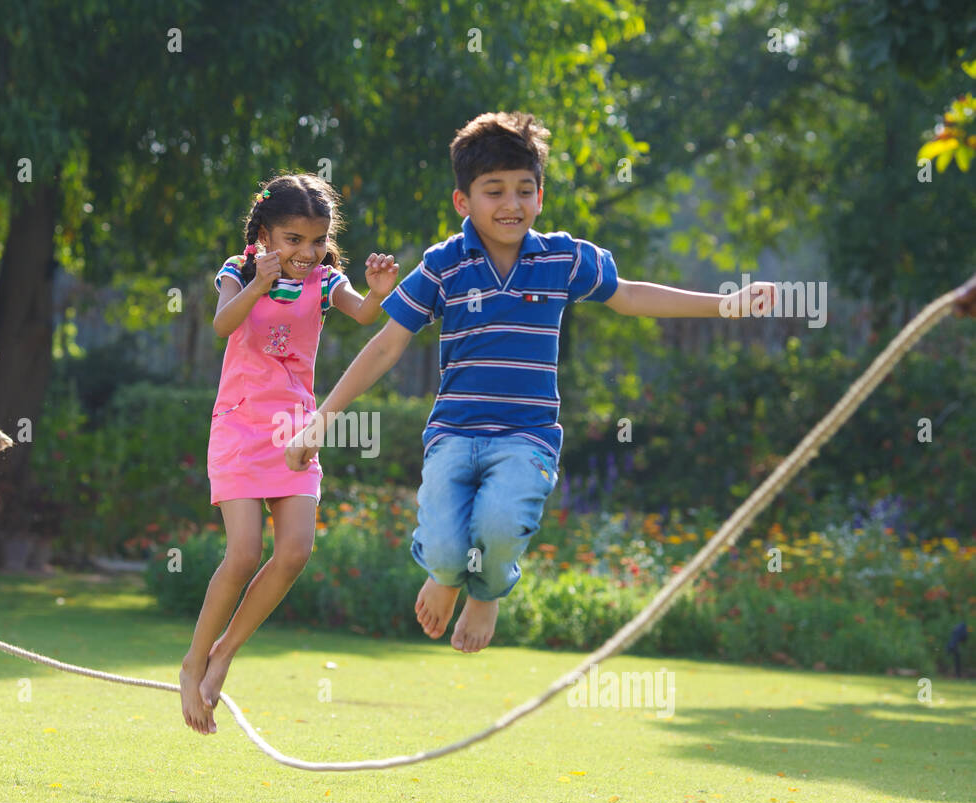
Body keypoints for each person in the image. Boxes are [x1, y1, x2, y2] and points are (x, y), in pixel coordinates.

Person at [288, 111, 775, 654]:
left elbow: (631, 296)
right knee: (446, 551)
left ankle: (487, 592)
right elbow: (385, 346)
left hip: (527, 438)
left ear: (540, 197)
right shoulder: (443, 266)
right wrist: (319, 422)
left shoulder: (563, 258)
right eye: (493, 191)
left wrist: (724, 305)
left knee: (499, 526)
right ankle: (448, 576)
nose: (511, 204)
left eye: (524, 190)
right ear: (463, 202)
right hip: (453, 434)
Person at [179, 173, 400, 734]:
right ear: (264, 236)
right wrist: (258, 281)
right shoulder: (238, 269)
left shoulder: (327, 281)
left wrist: (375, 290)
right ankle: (192, 662)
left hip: (295, 430)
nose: (306, 252)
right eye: (292, 240)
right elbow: (224, 323)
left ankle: (224, 653)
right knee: (245, 551)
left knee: (297, 550)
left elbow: (366, 314)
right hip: (239, 426)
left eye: (317, 240)